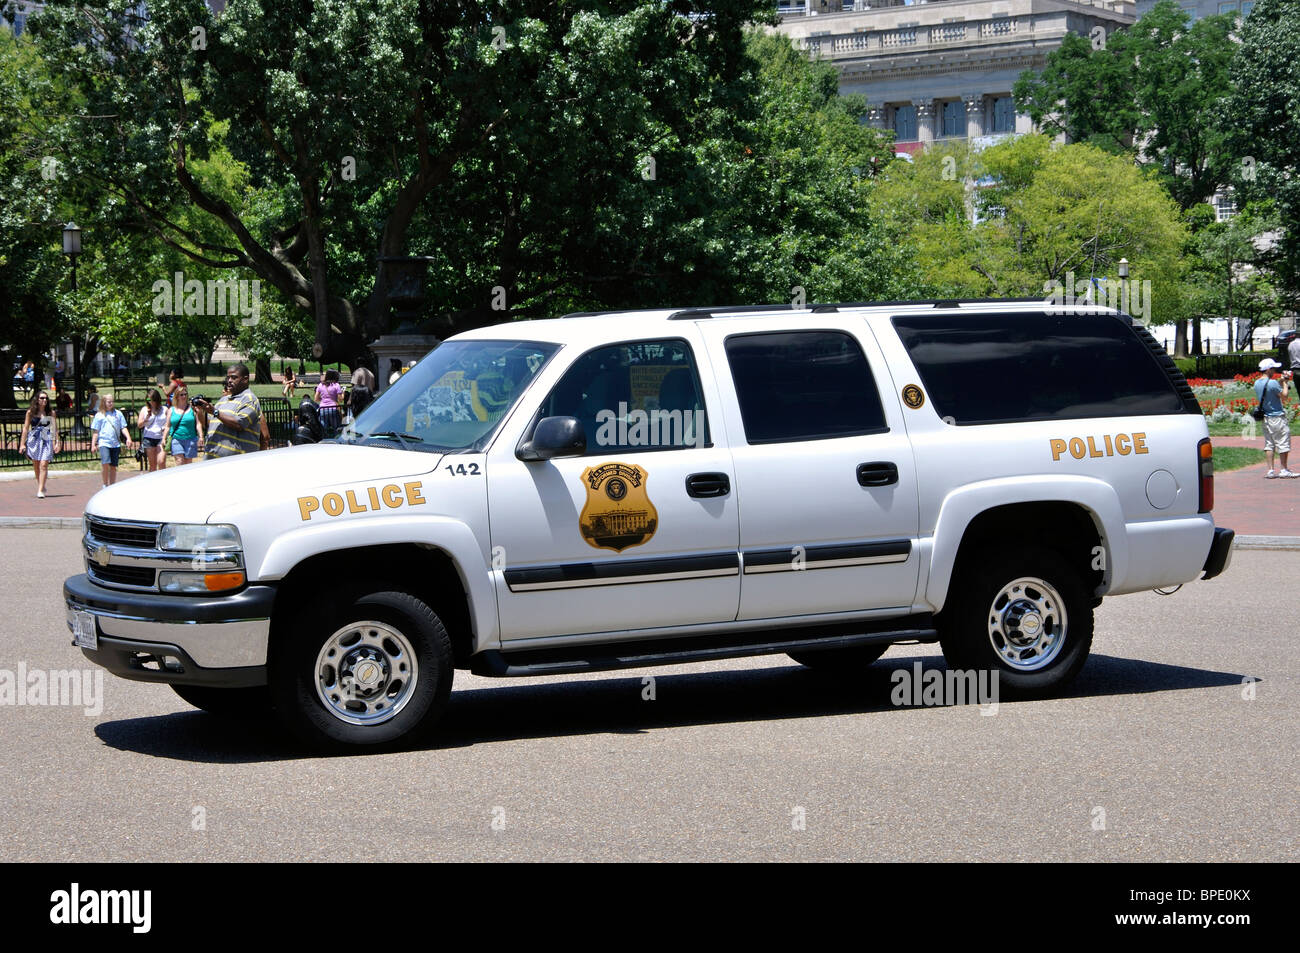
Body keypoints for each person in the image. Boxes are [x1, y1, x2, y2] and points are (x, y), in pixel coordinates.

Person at [194, 363, 263, 458]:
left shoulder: (249, 399)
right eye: (228, 377)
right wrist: (199, 412)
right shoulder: (223, 400)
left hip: (235, 462)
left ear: (245, 379)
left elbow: (239, 424)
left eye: (234, 377)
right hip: (212, 460)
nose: (229, 380)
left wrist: (215, 412)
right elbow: (208, 423)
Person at [19, 390, 61, 498]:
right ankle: (41, 485)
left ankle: (40, 490)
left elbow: (54, 428)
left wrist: (57, 442)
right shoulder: (30, 412)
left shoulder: (50, 413)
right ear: (37, 400)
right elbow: (25, 428)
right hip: (34, 440)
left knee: (43, 464)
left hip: (46, 439)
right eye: (42, 398)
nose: (44, 400)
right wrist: (22, 444)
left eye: (46, 398)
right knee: (36, 465)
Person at [1256, 358, 1292, 478]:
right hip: (1277, 417)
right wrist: (1286, 382)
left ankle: (1270, 470)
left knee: (1269, 444)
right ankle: (1284, 469)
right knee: (1283, 442)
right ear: (1268, 369)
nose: (1274, 370)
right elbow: (1284, 396)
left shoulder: (1257, 383)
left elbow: (1272, 391)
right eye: (1273, 368)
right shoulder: (1272, 383)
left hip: (1266, 417)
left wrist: (1280, 382)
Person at [90, 393, 133, 488]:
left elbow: (123, 427)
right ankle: (105, 484)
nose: (111, 403)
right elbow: (96, 431)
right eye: (109, 402)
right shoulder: (99, 415)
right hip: (104, 443)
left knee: (113, 466)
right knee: (105, 463)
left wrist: (128, 438)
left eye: (112, 401)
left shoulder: (118, 414)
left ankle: (112, 485)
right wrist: (93, 444)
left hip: (115, 443)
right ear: (104, 402)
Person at [161, 387, 205, 465]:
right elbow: (167, 426)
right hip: (176, 439)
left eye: (185, 394)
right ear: (177, 396)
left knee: (188, 464)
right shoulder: (171, 410)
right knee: (179, 462)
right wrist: (164, 438)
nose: (184, 396)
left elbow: (198, 424)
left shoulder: (192, 409)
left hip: (190, 439)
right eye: (181, 395)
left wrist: (201, 436)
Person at [136, 389, 169, 472]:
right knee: (152, 465)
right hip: (149, 438)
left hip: (161, 438)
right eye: (148, 400)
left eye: (152, 400)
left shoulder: (164, 409)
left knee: (161, 462)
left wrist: (165, 427)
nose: (150, 402)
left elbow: (170, 422)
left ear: (157, 400)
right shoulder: (144, 409)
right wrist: (146, 419)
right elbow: (139, 425)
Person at [315, 368, 343, 435]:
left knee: (323, 429)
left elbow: (316, 398)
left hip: (323, 409)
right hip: (333, 408)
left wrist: (324, 399)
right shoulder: (336, 385)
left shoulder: (321, 385)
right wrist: (343, 393)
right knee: (336, 429)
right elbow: (340, 400)